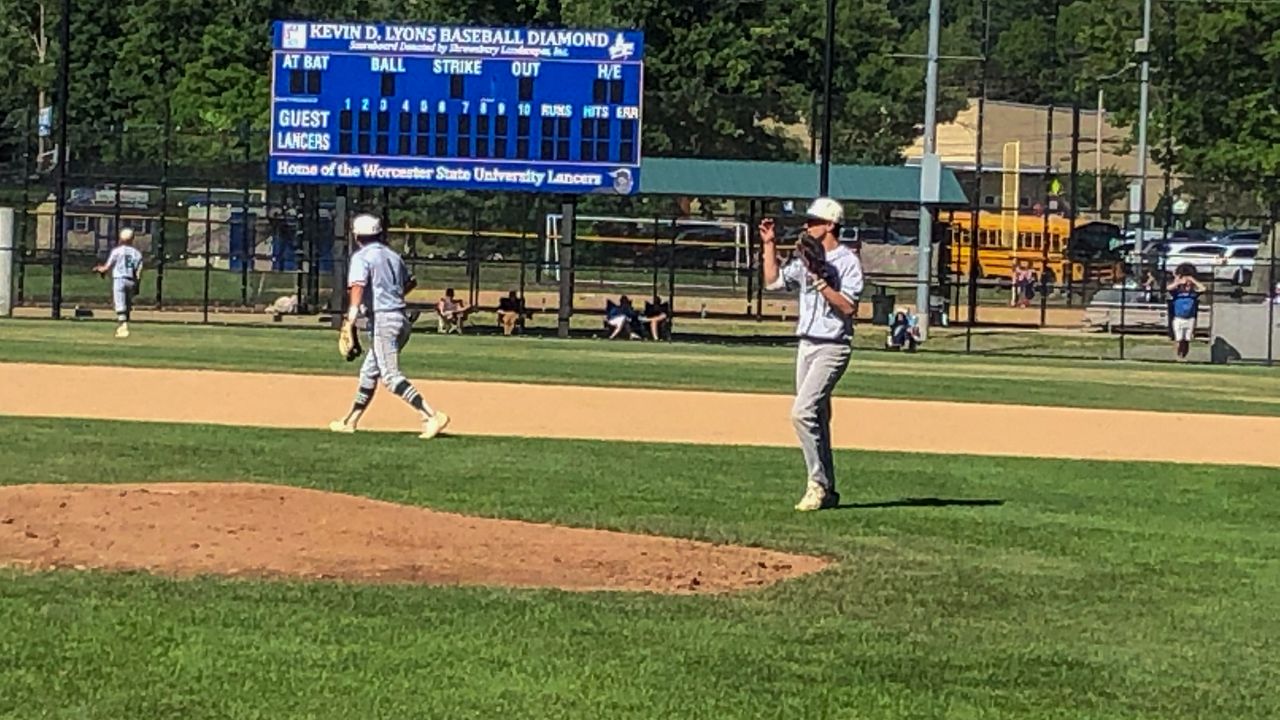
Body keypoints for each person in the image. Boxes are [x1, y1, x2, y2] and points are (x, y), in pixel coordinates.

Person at [760, 197, 864, 512]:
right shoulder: (808, 256)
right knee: (817, 417)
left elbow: (849, 307)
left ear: (830, 225)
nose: (807, 226)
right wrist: (769, 245)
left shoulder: (847, 261)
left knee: (801, 413)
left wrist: (821, 281)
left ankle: (816, 484)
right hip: (806, 344)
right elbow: (774, 282)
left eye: (814, 221)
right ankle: (828, 491)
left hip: (833, 345)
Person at [329, 213, 449, 439]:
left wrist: (350, 318)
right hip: (400, 318)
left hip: (384, 320)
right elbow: (411, 282)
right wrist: (392, 297)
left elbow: (357, 287)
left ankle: (431, 415)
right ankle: (350, 421)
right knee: (368, 372)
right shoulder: (393, 256)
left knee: (391, 377)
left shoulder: (361, 257)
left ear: (357, 236)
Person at [93, 228, 143, 338]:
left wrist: (99, 269)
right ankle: (125, 324)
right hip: (131, 280)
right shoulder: (137, 253)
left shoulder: (117, 251)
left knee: (120, 304)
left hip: (119, 279)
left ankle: (123, 327)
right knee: (127, 304)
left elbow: (107, 267)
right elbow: (139, 272)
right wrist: (137, 284)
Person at [1166, 262, 1205, 361]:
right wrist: (1178, 282)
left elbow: (1203, 288)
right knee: (1178, 339)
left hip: (1190, 319)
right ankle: (1177, 357)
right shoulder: (1177, 293)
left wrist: (1192, 279)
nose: (1187, 285)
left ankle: (1184, 356)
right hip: (1178, 318)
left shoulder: (1193, 294)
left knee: (1186, 340)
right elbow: (1169, 288)